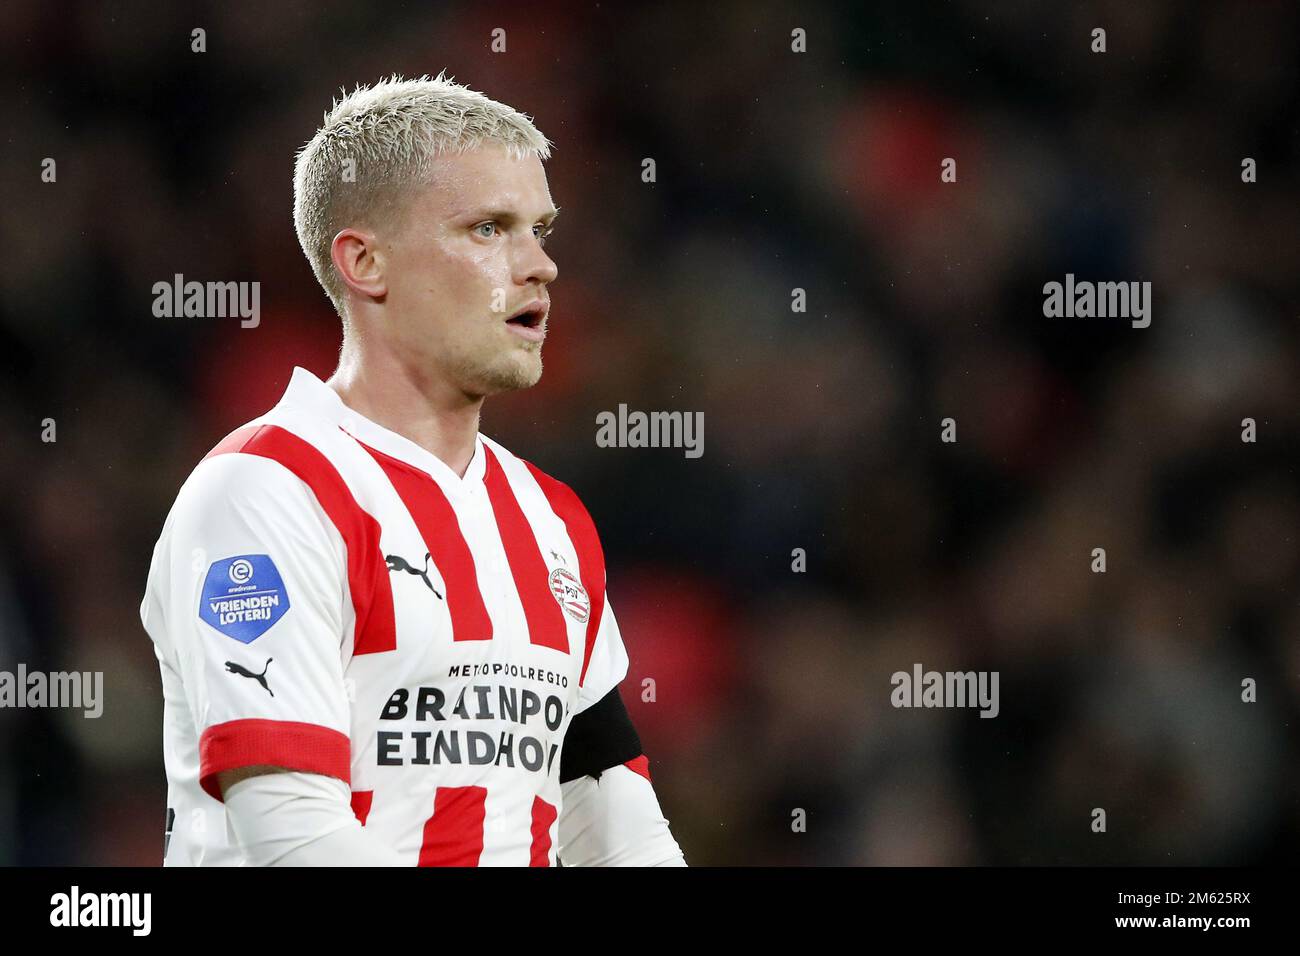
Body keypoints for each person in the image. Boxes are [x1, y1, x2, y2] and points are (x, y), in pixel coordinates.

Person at [139, 73, 686, 867]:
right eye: (490, 229)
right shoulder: (266, 491)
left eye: (542, 230)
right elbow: (293, 836)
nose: (540, 266)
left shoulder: (553, 518)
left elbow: (612, 819)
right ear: (365, 262)